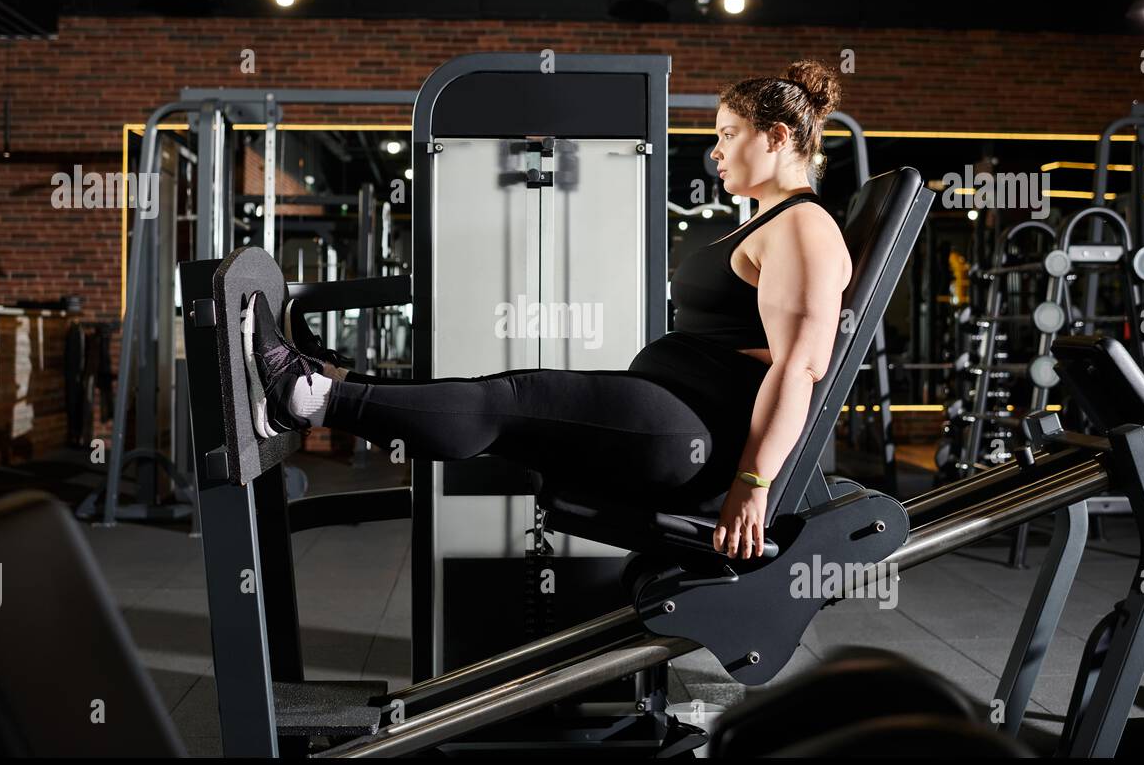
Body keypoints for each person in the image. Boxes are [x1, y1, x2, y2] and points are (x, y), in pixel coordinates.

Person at [243, 59, 852, 561]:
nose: (715, 152)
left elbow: (799, 367)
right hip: (678, 410)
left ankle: (306, 397)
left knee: (509, 401)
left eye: (729, 134)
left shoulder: (805, 228)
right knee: (503, 396)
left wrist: (751, 485)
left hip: (692, 434)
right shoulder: (773, 221)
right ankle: (333, 386)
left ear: (775, 137)